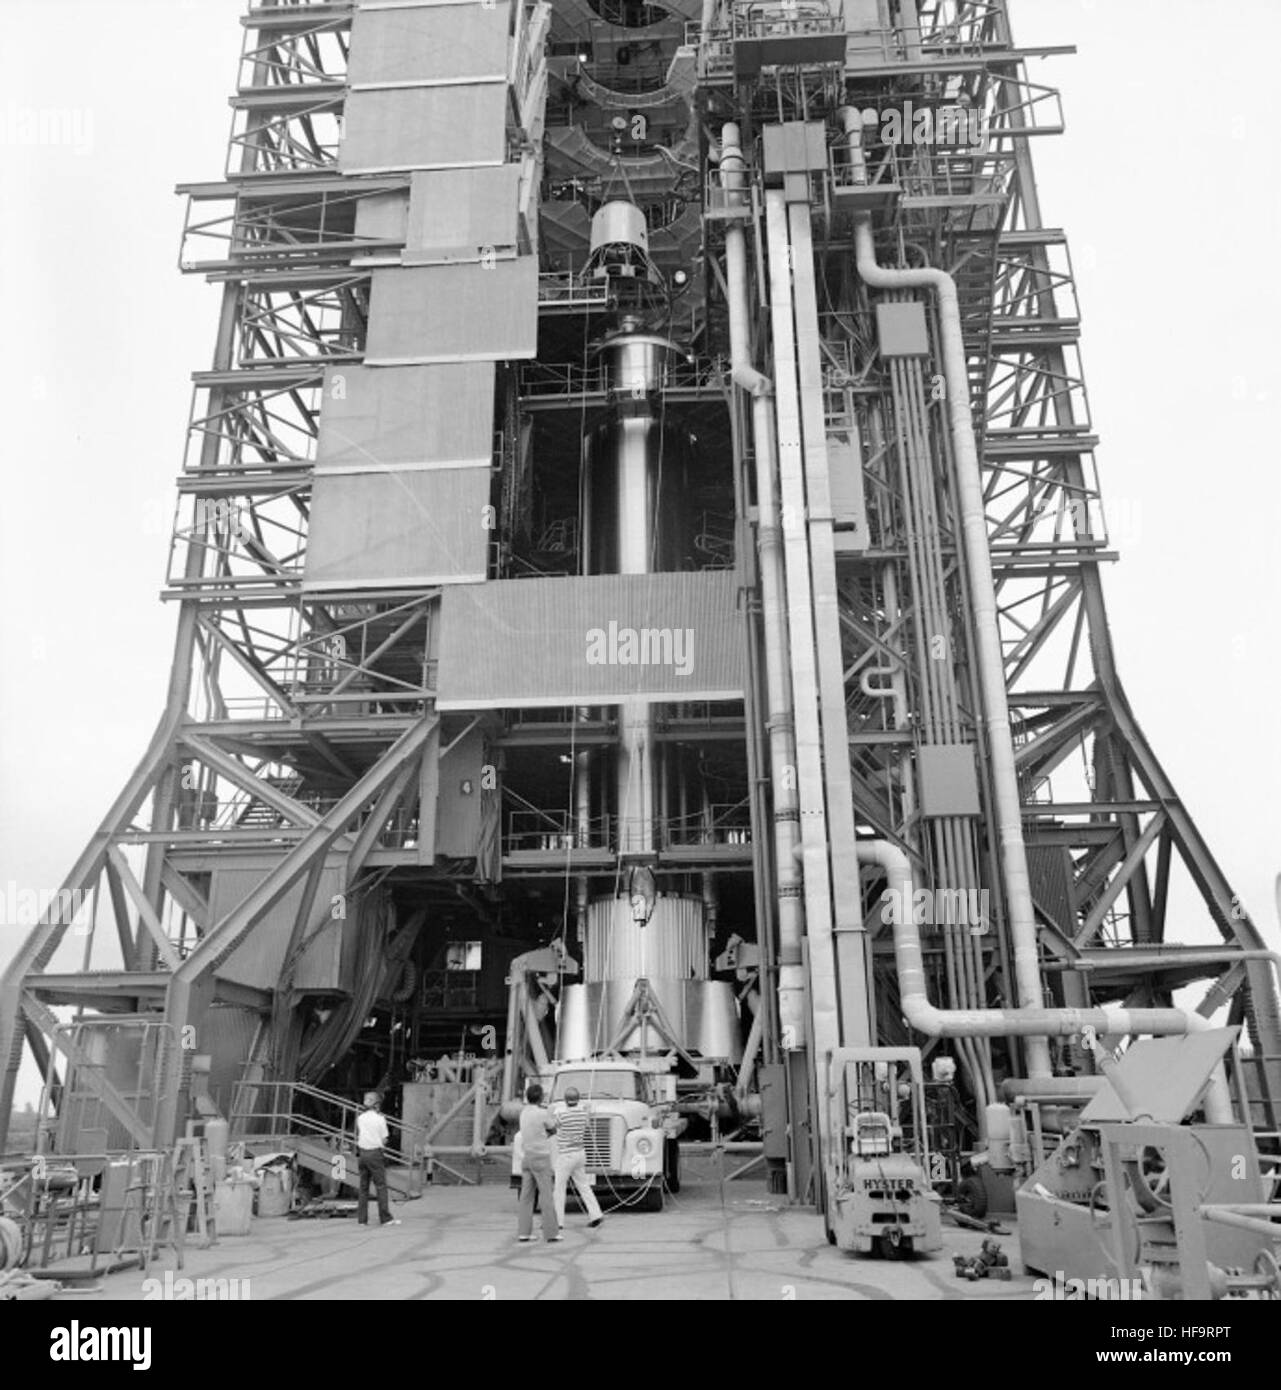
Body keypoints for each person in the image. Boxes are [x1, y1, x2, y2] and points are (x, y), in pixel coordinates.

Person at [552, 1086, 603, 1231]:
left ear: (565, 1100)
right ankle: (596, 1214)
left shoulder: (560, 1113)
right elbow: (587, 1117)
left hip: (566, 1155)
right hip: (580, 1153)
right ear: (578, 1099)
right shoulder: (583, 1113)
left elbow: (552, 1126)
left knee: (559, 1188)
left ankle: (558, 1221)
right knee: (584, 1186)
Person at [516, 1083, 560, 1242]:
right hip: (541, 1157)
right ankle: (551, 1233)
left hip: (527, 1158)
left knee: (526, 1197)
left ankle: (524, 1232)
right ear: (541, 1097)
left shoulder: (523, 1113)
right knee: (546, 1196)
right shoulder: (542, 1113)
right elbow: (553, 1128)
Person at [355, 1091, 400, 1227]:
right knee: (380, 1186)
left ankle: (362, 1220)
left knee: (363, 1188)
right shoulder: (380, 1119)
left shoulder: (360, 1118)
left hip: (362, 1154)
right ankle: (385, 1218)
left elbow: (360, 1133)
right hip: (375, 1154)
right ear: (377, 1104)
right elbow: (384, 1139)